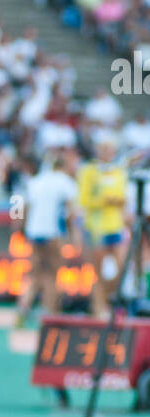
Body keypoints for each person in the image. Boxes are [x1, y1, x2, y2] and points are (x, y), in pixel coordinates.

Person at [14, 152, 78, 325]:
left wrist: (20, 227)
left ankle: (23, 306)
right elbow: (71, 212)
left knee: (34, 274)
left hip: (34, 232)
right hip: (52, 233)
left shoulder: (35, 181)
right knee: (53, 275)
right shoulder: (65, 182)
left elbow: (19, 204)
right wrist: (73, 235)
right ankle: (49, 313)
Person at [77, 134, 128, 317]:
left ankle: (106, 299)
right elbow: (83, 199)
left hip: (115, 227)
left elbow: (122, 198)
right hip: (96, 228)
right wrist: (105, 201)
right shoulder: (89, 171)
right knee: (97, 273)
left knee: (122, 268)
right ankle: (99, 307)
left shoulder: (118, 171)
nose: (107, 152)